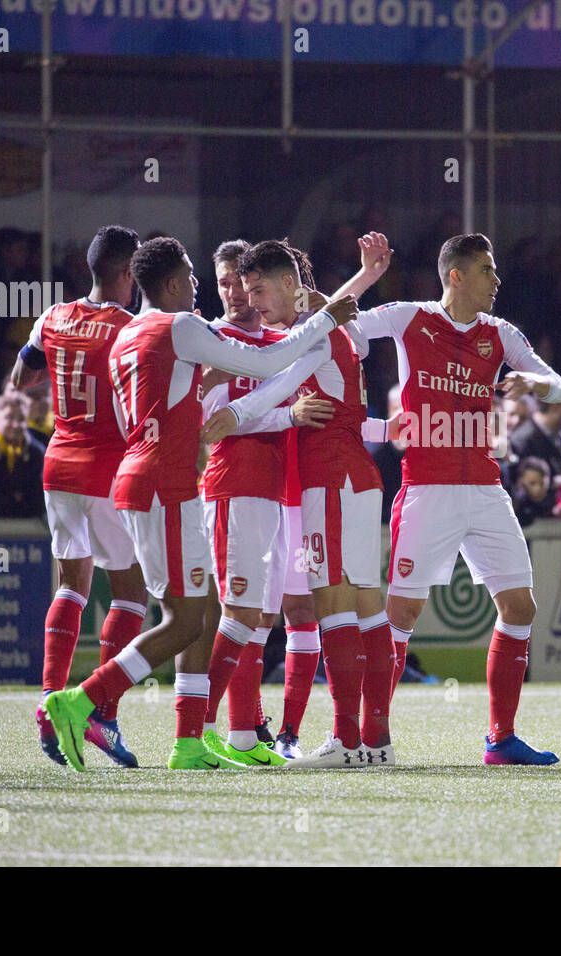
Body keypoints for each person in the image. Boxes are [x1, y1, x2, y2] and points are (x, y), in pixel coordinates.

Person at [40, 237, 352, 772]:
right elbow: (271, 357)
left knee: (202, 612)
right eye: (190, 275)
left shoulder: (125, 336)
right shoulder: (179, 326)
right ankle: (82, 700)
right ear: (169, 284)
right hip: (169, 483)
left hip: (138, 479)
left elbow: (141, 410)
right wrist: (326, 322)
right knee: (187, 620)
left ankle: (188, 742)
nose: (198, 286)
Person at [346, 231, 561, 765]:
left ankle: (500, 739)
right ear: (457, 276)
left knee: (520, 607)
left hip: (487, 492)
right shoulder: (408, 318)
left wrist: (536, 385)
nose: (497, 281)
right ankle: (369, 736)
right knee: (400, 615)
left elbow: (559, 387)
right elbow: (339, 325)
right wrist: (362, 279)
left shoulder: (500, 334)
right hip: (427, 490)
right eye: (488, 271)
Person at [201, 238, 392, 768]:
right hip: (357, 474)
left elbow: (276, 379)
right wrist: (361, 280)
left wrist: (235, 414)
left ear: (289, 284)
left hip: (327, 479)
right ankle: (376, 741)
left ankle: (344, 741)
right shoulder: (339, 328)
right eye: (243, 288)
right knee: (368, 609)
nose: (250, 299)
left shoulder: (316, 332)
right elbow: (326, 331)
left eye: (259, 288)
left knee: (331, 606)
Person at [193, 238, 338, 767]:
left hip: (273, 488)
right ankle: (196, 731)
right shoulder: (211, 339)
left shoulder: (279, 341)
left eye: (242, 283)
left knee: (260, 619)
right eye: (225, 283)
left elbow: (326, 335)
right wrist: (287, 417)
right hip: (234, 482)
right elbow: (218, 421)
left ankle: (246, 739)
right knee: (238, 613)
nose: (235, 294)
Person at [11, 225, 151, 769]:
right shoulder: (130, 327)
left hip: (58, 465)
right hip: (108, 469)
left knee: (72, 585)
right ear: (125, 274)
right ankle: (101, 712)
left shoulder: (52, 317)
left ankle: (50, 701)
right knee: (132, 593)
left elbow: (20, 378)